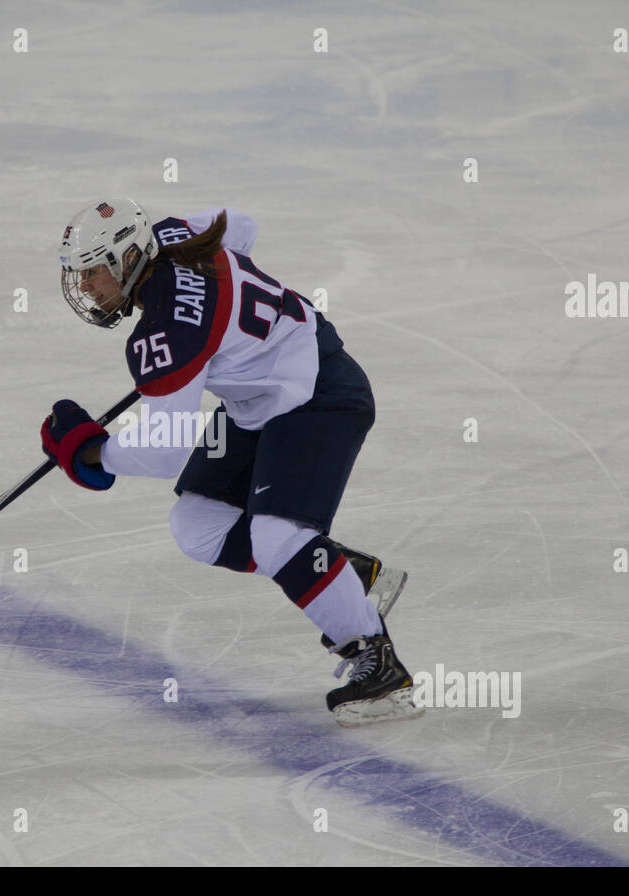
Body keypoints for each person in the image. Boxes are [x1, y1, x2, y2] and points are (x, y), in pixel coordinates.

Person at [40, 199, 422, 726]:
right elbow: (240, 225)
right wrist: (223, 334)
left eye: (93, 271)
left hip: (317, 395)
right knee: (197, 525)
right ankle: (345, 576)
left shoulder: (165, 334)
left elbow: (165, 448)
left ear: (129, 258)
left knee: (274, 536)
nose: (85, 287)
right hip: (257, 405)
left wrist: (87, 451)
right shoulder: (173, 234)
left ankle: (376, 664)